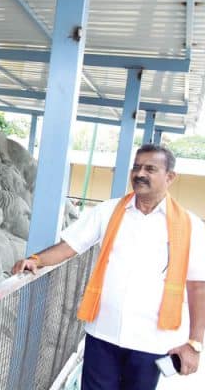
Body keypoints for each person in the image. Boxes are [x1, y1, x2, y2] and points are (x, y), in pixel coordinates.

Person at [11, 144, 205, 389]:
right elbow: (70, 245)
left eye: (150, 168)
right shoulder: (109, 211)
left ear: (170, 177)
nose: (139, 173)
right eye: (136, 167)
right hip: (103, 333)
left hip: (152, 342)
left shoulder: (190, 226)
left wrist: (195, 344)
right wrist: (36, 260)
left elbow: (198, 287)